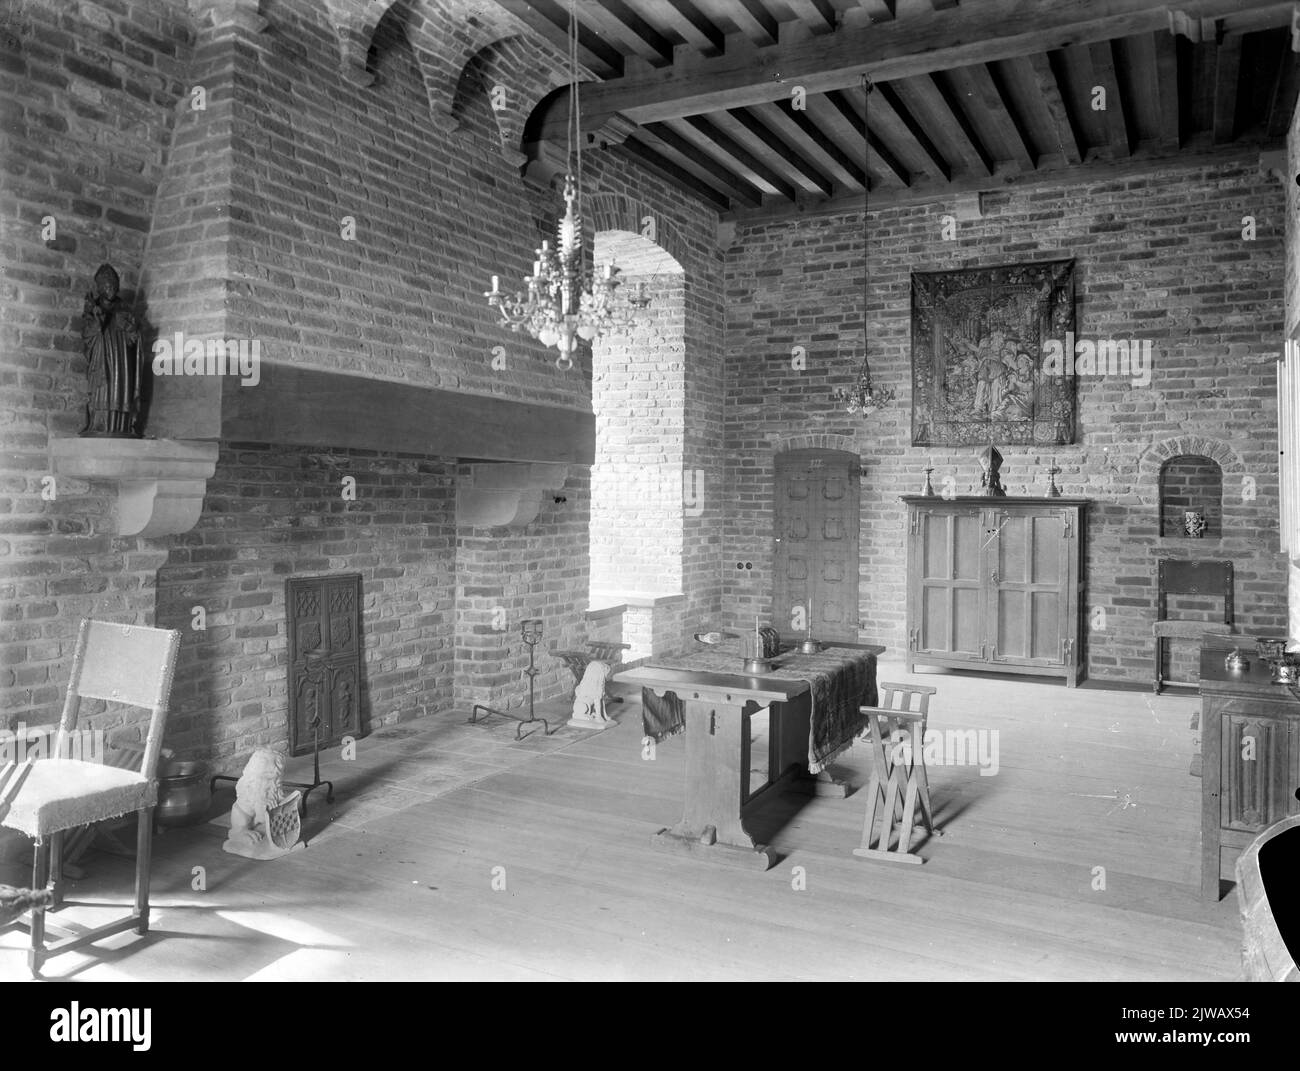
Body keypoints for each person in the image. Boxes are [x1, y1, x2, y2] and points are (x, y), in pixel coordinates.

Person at [80, 263, 143, 436]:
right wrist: (97, 320)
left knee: (120, 393)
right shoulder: (93, 309)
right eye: (107, 285)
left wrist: (130, 329)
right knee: (102, 391)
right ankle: (99, 425)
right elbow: (87, 336)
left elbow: (135, 341)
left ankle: (121, 426)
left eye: (114, 285)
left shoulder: (125, 309)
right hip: (101, 360)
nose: (111, 288)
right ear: (100, 287)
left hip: (121, 363)